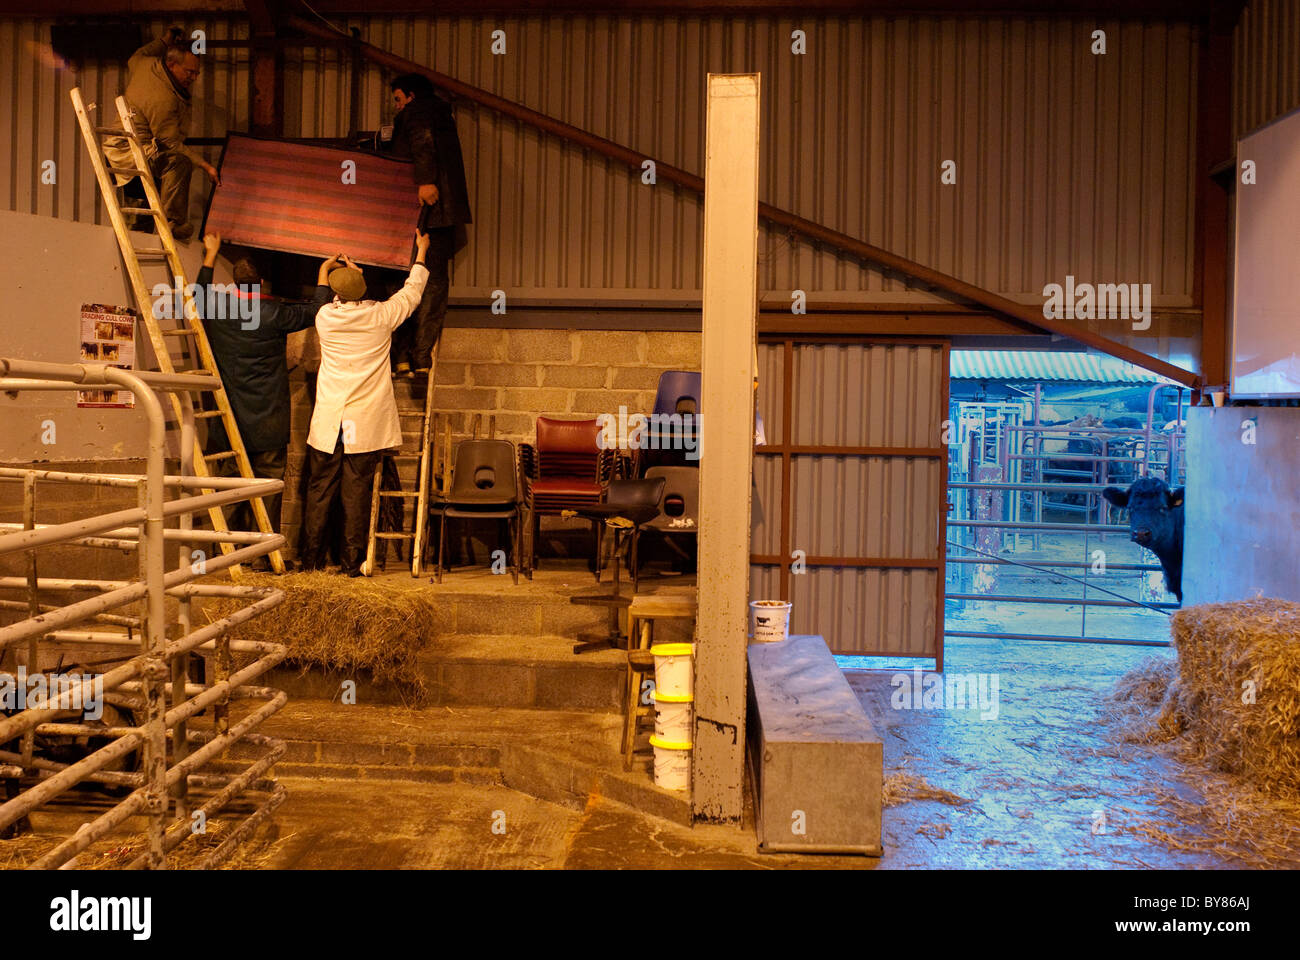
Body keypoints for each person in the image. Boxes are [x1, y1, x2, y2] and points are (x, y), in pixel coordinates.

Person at [195, 233, 336, 556]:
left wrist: (210, 255)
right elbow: (316, 309)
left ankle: (228, 557)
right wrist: (323, 274)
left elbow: (199, 293)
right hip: (269, 422)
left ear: (234, 283)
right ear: (260, 283)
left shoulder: (217, 310)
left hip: (229, 422)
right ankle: (263, 557)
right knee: (269, 489)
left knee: (228, 489)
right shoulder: (275, 314)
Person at [301, 232, 432, 576]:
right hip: (362, 424)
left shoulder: (326, 319)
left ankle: (311, 564)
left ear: (336, 294)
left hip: (331, 421)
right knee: (355, 494)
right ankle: (350, 565)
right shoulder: (380, 316)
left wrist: (324, 271)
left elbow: (317, 302)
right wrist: (421, 253)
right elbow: (412, 293)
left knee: (319, 492)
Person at [387, 73, 472, 375]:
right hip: (443, 215)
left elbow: (422, 142)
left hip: (424, 214)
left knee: (410, 280)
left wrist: (424, 181)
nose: (396, 107)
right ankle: (417, 355)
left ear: (410, 95)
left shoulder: (419, 111)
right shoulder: (442, 113)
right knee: (431, 281)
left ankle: (408, 354)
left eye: (398, 99)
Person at [103, 28, 220, 240]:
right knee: (179, 163)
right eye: (189, 72)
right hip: (131, 157)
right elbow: (171, 143)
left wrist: (164, 41)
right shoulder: (162, 100)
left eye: (196, 73)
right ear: (172, 65)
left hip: (124, 150)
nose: (193, 78)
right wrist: (206, 166)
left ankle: (142, 232)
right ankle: (173, 221)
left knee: (144, 208)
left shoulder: (146, 65)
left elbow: (136, 56)